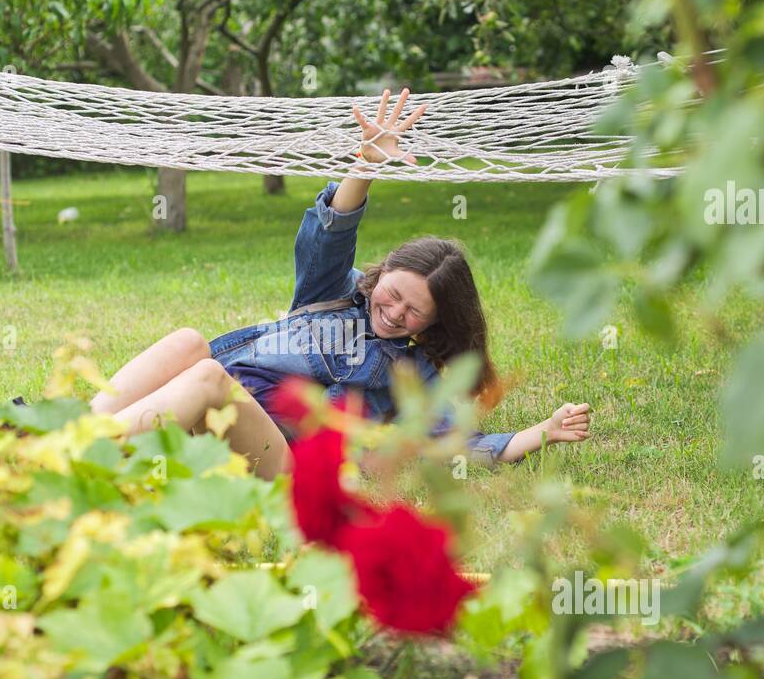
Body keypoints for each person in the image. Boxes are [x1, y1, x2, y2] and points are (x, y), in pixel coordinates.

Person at [90, 88, 591, 479]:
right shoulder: (330, 292)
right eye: (394, 295)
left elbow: (449, 445)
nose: (395, 313)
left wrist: (540, 433)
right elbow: (331, 230)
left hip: (276, 456)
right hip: (203, 418)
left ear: (435, 323)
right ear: (383, 271)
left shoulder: (415, 373)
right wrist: (366, 165)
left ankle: (78, 454)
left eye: (415, 313)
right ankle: (73, 431)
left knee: (208, 378)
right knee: (189, 343)